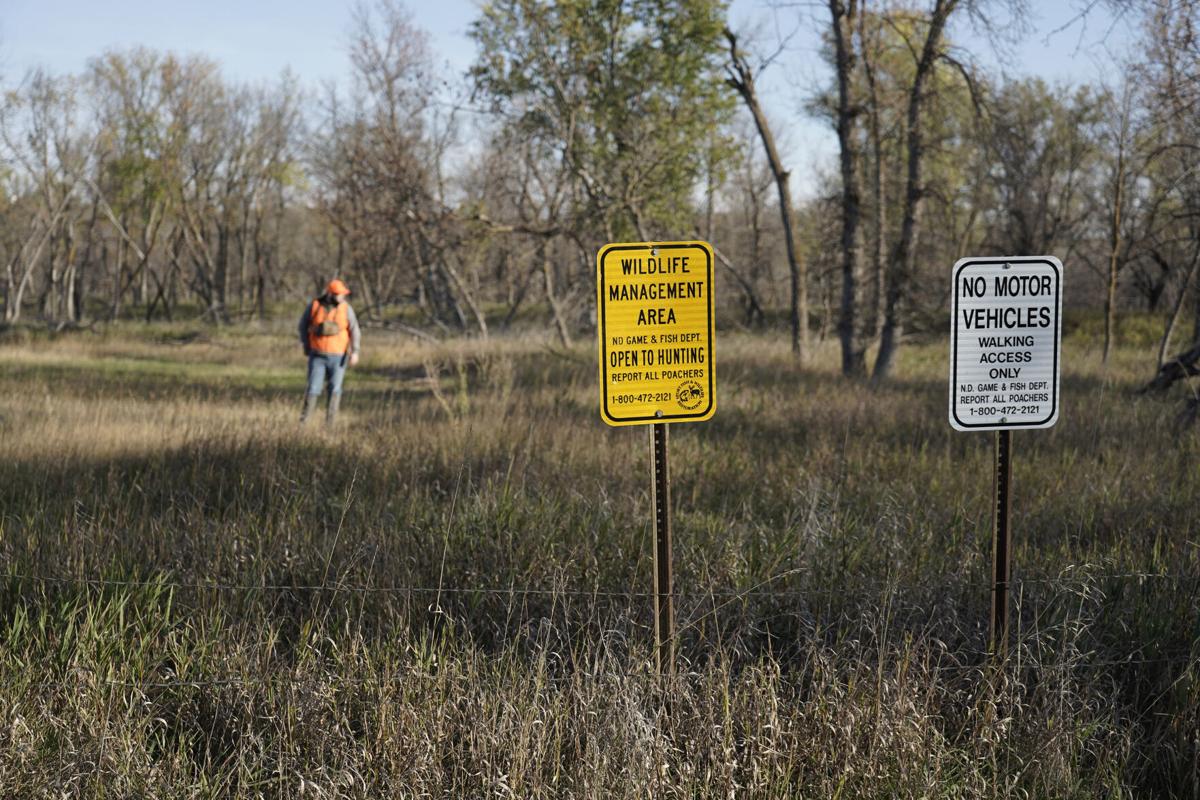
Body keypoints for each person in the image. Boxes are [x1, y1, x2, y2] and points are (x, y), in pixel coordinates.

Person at [298, 279, 361, 425]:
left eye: (343, 294)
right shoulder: (315, 305)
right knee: (313, 388)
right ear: (330, 294)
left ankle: (330, 425)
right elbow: (302, 326)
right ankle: (303, 423)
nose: (342, 297)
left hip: (339, 357)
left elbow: (354, 330)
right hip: (317, 356)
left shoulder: (346, 308)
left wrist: (355, 351)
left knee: (335, 389)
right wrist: (306, 345)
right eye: (339, 294)